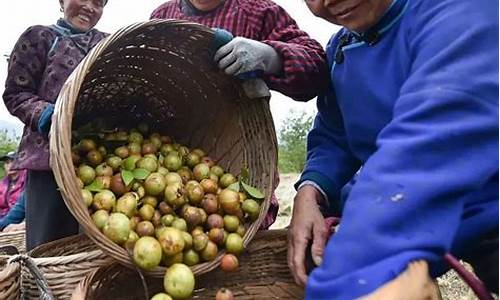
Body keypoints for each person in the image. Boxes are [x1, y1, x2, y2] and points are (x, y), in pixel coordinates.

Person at [287, 0, 498, 299]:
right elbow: (335, 134)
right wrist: (311, 191)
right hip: (401, 208)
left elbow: (425, 154)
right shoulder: (341, 49)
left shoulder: (461, 11)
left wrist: (347, 281)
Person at [151, 0, 328, 228]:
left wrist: (271, 57)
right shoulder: (162, 16)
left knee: (238, 228)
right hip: (172, 155)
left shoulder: (258, 12)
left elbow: (317, 70)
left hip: (242, 161)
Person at [3, 0, 108, 250]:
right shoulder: (39, 37)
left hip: (97, 164)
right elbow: (15, 93)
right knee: (46, 245)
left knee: (91, 245)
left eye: (99, 2)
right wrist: (46, 114)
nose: (89, 7)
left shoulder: (106, 44)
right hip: (46, 161)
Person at [0, 152, 27, 218]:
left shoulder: (27, 178)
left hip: (21, 218)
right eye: (7, 163)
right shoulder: (2, 184)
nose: (10, 165)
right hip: (4, 218)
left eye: (12, 161)